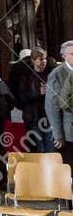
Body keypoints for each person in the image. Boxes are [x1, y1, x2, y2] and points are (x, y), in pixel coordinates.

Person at [44, 40, 73, 171]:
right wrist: (58, 134)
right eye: (72, 54)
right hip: (69, 131)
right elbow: (52, 107)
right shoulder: (57, 74)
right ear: (64, 56)